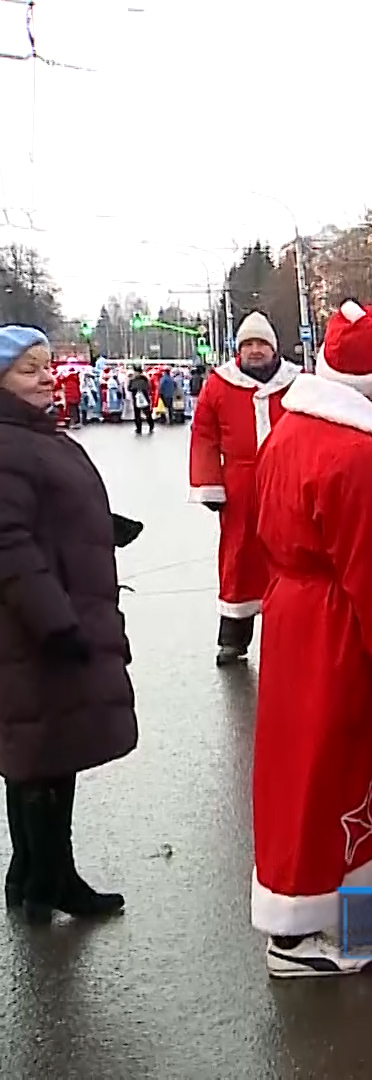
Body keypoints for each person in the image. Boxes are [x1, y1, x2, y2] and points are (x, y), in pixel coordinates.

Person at [248, 301, 372, 977]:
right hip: (337, 630)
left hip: (294, 619)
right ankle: (299, 935)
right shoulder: (360, 456)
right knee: (333, 770)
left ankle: (309, 910)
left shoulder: (290, 428)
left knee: (297, 770)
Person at [0, 326, 138, 925]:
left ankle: (31, 873)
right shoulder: (9, 442)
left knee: (35, 751)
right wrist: (57, 623)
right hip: (34, 629)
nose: (47, 377)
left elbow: (46, 510)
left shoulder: (36, 434)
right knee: (46, 752)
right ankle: (50, 882)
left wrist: (102, 526)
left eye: (48, 365)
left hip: (41, 619)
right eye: (31, 369)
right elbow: (7, 541)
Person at [189, 312, 301, 666]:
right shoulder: (220, 384)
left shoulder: (297, 381)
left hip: (290, 480)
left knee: (295, 556)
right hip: (241, 483)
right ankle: (234, 638)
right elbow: (204, 435)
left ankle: (294, 634)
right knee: (239, 557)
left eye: (261, 344)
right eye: (248, 344)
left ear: (274, 348)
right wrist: (209, 483)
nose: (255, 350)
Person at [127, 366, 154, 434]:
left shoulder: (132, 379)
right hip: (145, 396)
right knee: (147, 412)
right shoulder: (145, 378)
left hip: (136, 397)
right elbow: (148, 387)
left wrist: (135, 390)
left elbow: (129, 388)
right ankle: (151, 426)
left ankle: (139, 428)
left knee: (137, 414)